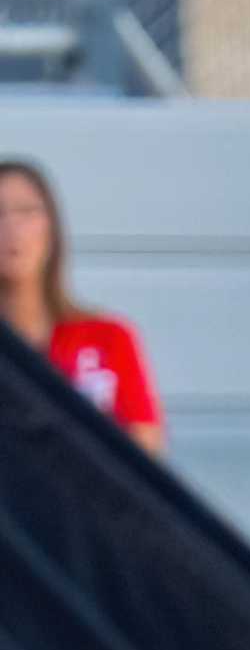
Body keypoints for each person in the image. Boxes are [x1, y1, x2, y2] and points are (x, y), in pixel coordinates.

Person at [0, 159, 165, 455]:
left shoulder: (109, 339)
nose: (13, 229)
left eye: (27, 211)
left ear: (52, 228)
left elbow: (146, 462)